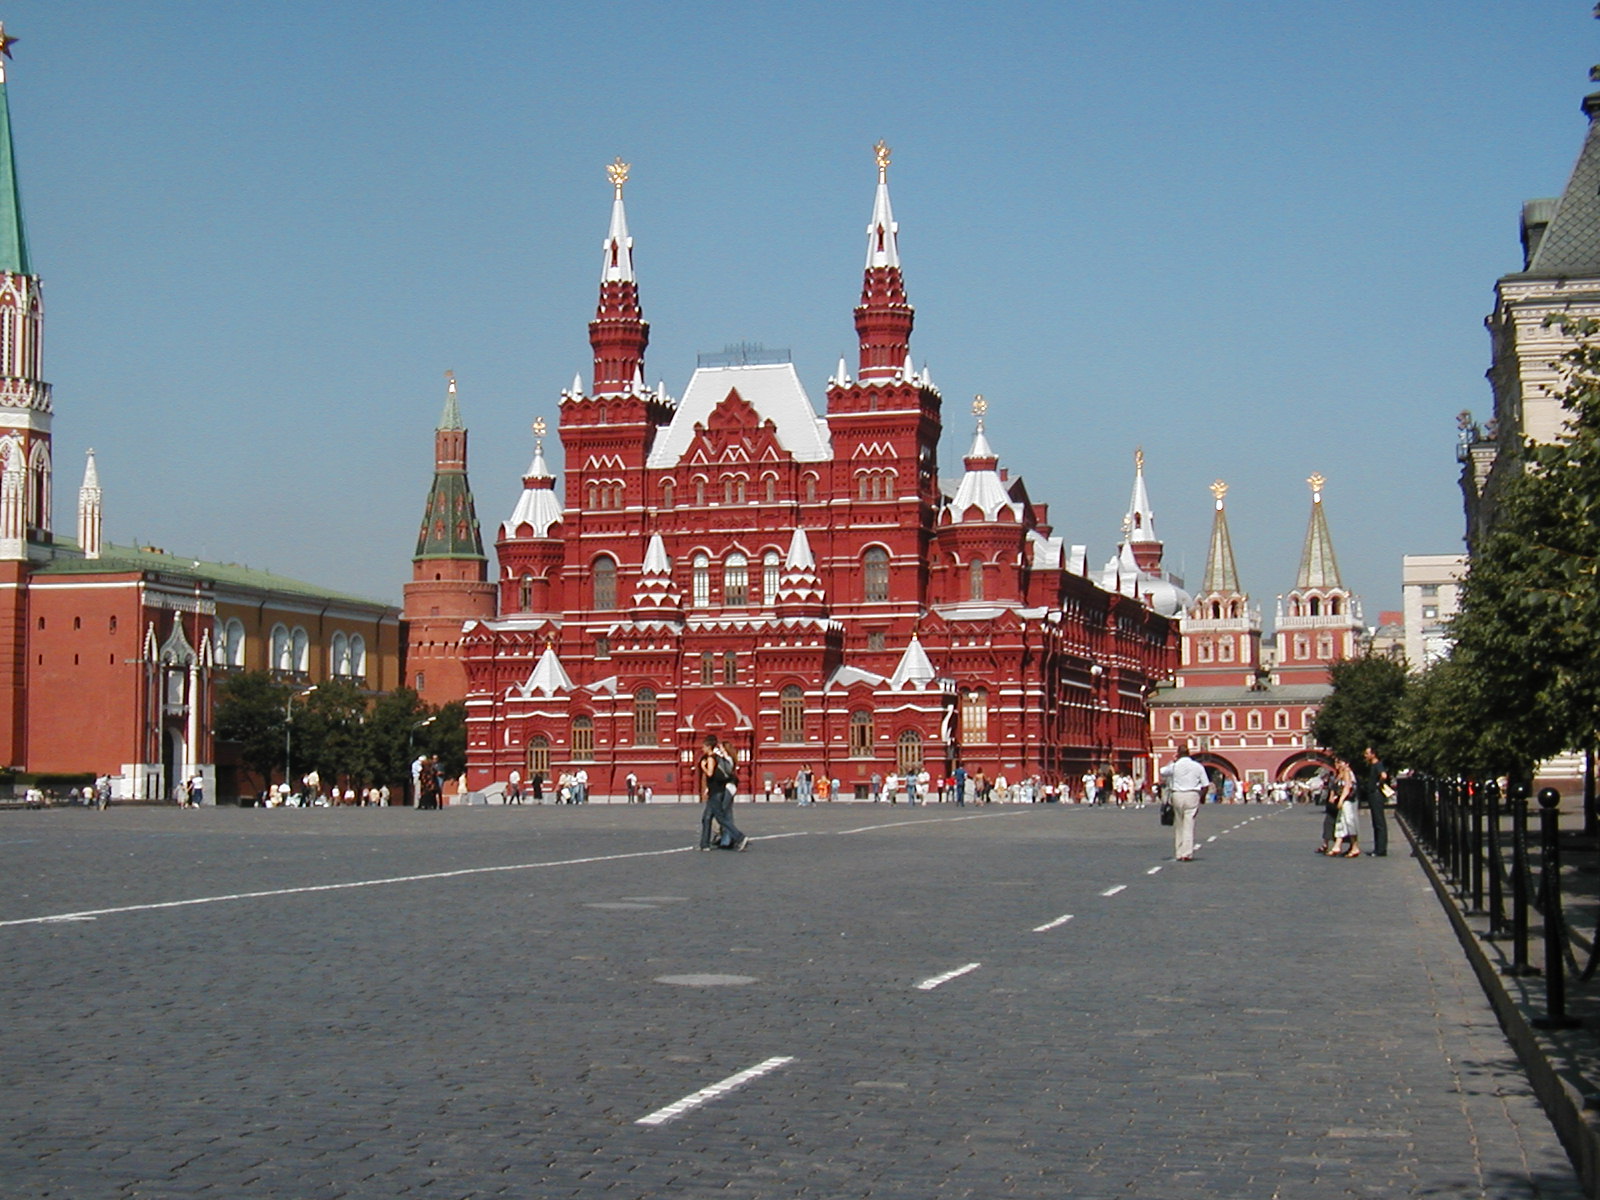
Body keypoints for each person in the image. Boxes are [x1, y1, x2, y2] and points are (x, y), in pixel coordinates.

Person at [698, 734, 748, 852]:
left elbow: (710, 773)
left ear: (709, 746)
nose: (702, 749)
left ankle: (740, 837)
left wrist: (703, 767)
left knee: (720, 818)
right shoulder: (719, 758)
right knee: (707, 817)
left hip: (716, 792)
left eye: (704, 746)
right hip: (716, 792)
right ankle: (704, 844)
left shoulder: (711, 758)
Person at [1160, 743, 1208, 861]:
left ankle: (1179, 852)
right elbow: (1205, 784)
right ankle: (1187, 853)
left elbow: (1162, 771)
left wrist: (1173, 761)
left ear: (1178, 754)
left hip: (1177, 795)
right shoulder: (1197, 766)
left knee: (1179, 824)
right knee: (1189, 824)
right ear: (1189, 753)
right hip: (1192, 794)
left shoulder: (1175, 766)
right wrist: (1202, 797)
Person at [1327, 758, 1360, 857]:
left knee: (1349, 821)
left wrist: (1341, 799)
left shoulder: (1347, 771)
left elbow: (1347, 787)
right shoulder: (1341, 773)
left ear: (1346, 763)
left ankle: (1355, 846)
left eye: (1340, 762)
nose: (1338, 764)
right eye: (1336, 762)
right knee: (1341, 821)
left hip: (1348, 801)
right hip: (1345, 800)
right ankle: (1337, 846)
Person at [1361, 746, 1390, 857]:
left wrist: (1378, 784)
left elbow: (1384, 775)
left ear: (1373, 754)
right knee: (1376, 822)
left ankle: (1381, 849)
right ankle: (1378, 847)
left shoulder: (1377, 765)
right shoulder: (1373, 765)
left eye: (1367, 753)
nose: (1365, 755)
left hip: (1376, 795)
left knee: (1379, 822)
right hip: (1373, 795)